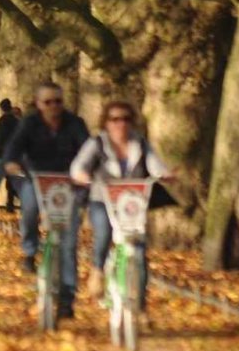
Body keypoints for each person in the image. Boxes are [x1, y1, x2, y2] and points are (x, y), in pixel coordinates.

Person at [2, 82, 91, 319]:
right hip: (37, 178)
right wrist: (11, 163)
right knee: (29, 208)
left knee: (69, 241)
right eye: (48, 102)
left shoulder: (75, 124)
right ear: (39, 104)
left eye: (58, 101)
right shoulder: (29, 123)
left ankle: (67, 298)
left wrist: (87, 173)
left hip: (67, 184)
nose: (54, 106)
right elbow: (13, 147)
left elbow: (88, 150)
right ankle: (30, 251)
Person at [71, 101, 170, 311]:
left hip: (131, 205)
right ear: (106, 122)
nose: (120, 124)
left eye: (125, 118)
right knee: (104, 231)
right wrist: (83, 176)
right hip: (102, 200)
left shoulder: (140, 144)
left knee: (139, 249)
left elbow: (156, 166)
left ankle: (140, 308)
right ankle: (97, 271)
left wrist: (165, 175)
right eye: (115, 119)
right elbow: (78, 167)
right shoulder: (97, 143)